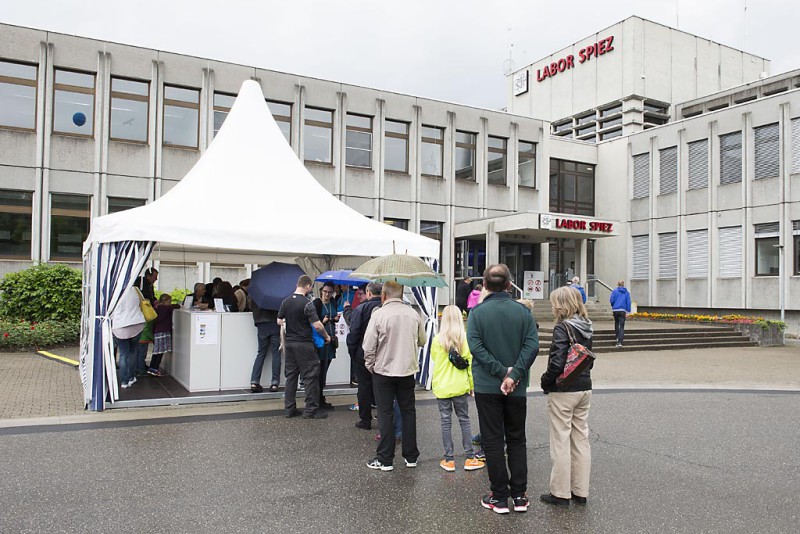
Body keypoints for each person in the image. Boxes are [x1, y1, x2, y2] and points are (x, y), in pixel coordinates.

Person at [467, 263, 539, 514]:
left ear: (484, 285)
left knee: (493, 440)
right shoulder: (523, 313)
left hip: (488, 385)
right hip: (516, 387)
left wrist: (500, 372)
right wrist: (514, 373)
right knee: (517, 438)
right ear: (510, 285)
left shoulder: (476, 314)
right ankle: (519, 495)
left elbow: (475, 347)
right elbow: (532, 346)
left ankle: (499, 496)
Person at [363, 281, 426, 472]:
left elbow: (368, 346)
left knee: (385, 412)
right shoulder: (413, 314)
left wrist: (370, 365)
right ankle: (411, 456)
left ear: (383, 295)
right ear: (401, 294)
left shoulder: (379, 314)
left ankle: (385, 458)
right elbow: (422, 340)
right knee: (408, 411)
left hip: (383, 370)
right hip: (407, 370)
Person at [539, 286, 594, 507]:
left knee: (560, 441)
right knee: (581, 439)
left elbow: (557, 363)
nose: (552, 306)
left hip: (564, 391)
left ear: (561, 304)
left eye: (554, 302)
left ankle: (560, 493)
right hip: (584, 387)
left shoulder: (563, 327)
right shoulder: (587, 325)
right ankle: (580, 491)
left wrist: (546, 381)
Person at [431, 305, 485, 472]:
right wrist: (471, 385)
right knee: (464, 420)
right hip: (460, 386)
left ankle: (449, 460)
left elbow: (434, 359)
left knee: (445, 421)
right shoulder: (465, 339)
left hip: (442, 386)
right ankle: (469, 457)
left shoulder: (437, 340)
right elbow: (469, 365)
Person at [277, 275, 331, 420]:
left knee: (291, 377)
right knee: (310, 376)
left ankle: (289, 409)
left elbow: (279, 320)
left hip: (290, 344)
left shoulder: (285, 301)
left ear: (297, 284)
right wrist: (326, 337)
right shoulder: (308, 304)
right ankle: (311, 410)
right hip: (304, 344)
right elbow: (318, 325)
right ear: (308, 287)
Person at [343, 281, 383, 430]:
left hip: (363, 353)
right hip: (383, 354)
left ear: (369, 293)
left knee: (364, 388)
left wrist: (353, 352)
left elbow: (354, 332)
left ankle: (365, 420)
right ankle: (384, 418)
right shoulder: (386, 308)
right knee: (382, 387)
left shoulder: (361, 309)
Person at [111, 285, 146, 389]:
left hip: (119, 325)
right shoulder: (135, 289)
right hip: (136, 323)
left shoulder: (114, 291)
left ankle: (124, 381)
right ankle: (131, 377)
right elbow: (143, 302)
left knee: (123, 354)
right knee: (133, 352)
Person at [313, 282, 339, 410]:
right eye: (325, 291)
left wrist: (334, 319)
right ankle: (317, 400)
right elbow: (313, 322)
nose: (327, 294)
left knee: (324, 371)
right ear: (321, 291)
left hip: (331, 341)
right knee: (319, 372)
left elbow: (333, 318)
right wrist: (322, 321)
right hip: (320, 342)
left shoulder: (333, 302)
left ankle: (320, 398)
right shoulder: (317, 303)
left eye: (330, 292)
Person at [249, 296, 282, 393]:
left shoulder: (257, 294)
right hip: (274, 324)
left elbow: (252, 308)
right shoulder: (276, 294)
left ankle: (254, 381)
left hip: (261, 325)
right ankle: (275, 383)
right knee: (276, 354)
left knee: (261, 353)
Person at [149, 294, 181, 376]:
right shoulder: (165, 308)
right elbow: (176, 306)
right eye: (169, 301)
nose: (170, 303)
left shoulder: (157, 308)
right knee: (160, 352)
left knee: (156, 352)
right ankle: (155, 369)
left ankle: (152, 368)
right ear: (164, 301)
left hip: (157, 331)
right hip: (163, 332)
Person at [135, 268, 158, 376]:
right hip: (143, 319)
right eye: (154, 276)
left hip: (143, 319)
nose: (156, 279)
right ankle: (140, 368)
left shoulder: (148, 285)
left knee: (140, 347)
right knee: (141, 347)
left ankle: (139, 366)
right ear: (148, 276)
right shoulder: (142, 284)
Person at [609, 280, 631, 347]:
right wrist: (628, 310)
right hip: (622, 310)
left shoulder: (614, 291)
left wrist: (613, 306)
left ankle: (617, 337)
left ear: (617, 284)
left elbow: (611, 300)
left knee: (616, 323)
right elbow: (628, 301)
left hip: (616, 309)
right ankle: (620, 341)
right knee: (622, 326)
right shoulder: (626, 292)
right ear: (623, 285)